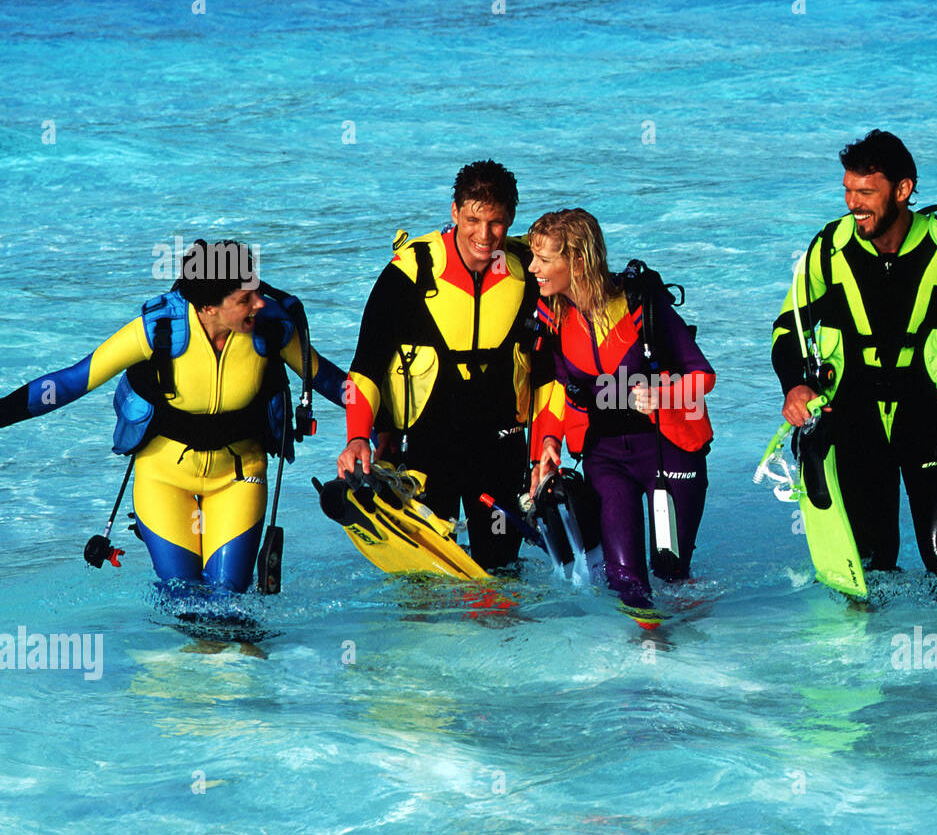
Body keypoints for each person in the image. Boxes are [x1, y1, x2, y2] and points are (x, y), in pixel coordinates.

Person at [771, 130, 937, 600]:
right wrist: (794, 387)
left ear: (903, 189)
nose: (854, 203)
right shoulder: (828, 251)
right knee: (868, 568)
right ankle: (869, 667)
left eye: (866, 192)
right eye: (848, 190)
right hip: (853, 424)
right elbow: (786, 331)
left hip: (932, 423)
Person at [0, 239, 348, 592]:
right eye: (245, 299)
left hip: (239, 477)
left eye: (256, 291)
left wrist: (380, 426)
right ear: (209, 307)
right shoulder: (159, 330)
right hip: (164, 478)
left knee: (228, 599)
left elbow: (334, 383)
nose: (259, 303)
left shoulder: (272, 330)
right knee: (182, 595)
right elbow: (72, 381)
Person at [338, 160, 537, 569]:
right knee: (425, 593)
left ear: (511, 219)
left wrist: (547, 446)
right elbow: (367, 366)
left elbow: (551, 368)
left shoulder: (528, 273)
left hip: (502, 451)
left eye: (497, 222)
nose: (484, 235)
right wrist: (358, 436)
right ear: (454, 212)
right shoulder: (408, 274)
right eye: (473, 219)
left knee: (500, 578)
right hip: (430, 453)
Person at [527, 208, 714, 608]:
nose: (533, 268)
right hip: (606, 456)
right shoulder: (554, 317)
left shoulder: (641, 306)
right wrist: (547, 443)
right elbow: (558, 391)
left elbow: (703, 376)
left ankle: (691, 650)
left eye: (544, 260)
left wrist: (663, 396)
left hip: (669, 450)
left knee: (671, 574)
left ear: (577, 261)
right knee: (624, 579)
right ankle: (647, 645)